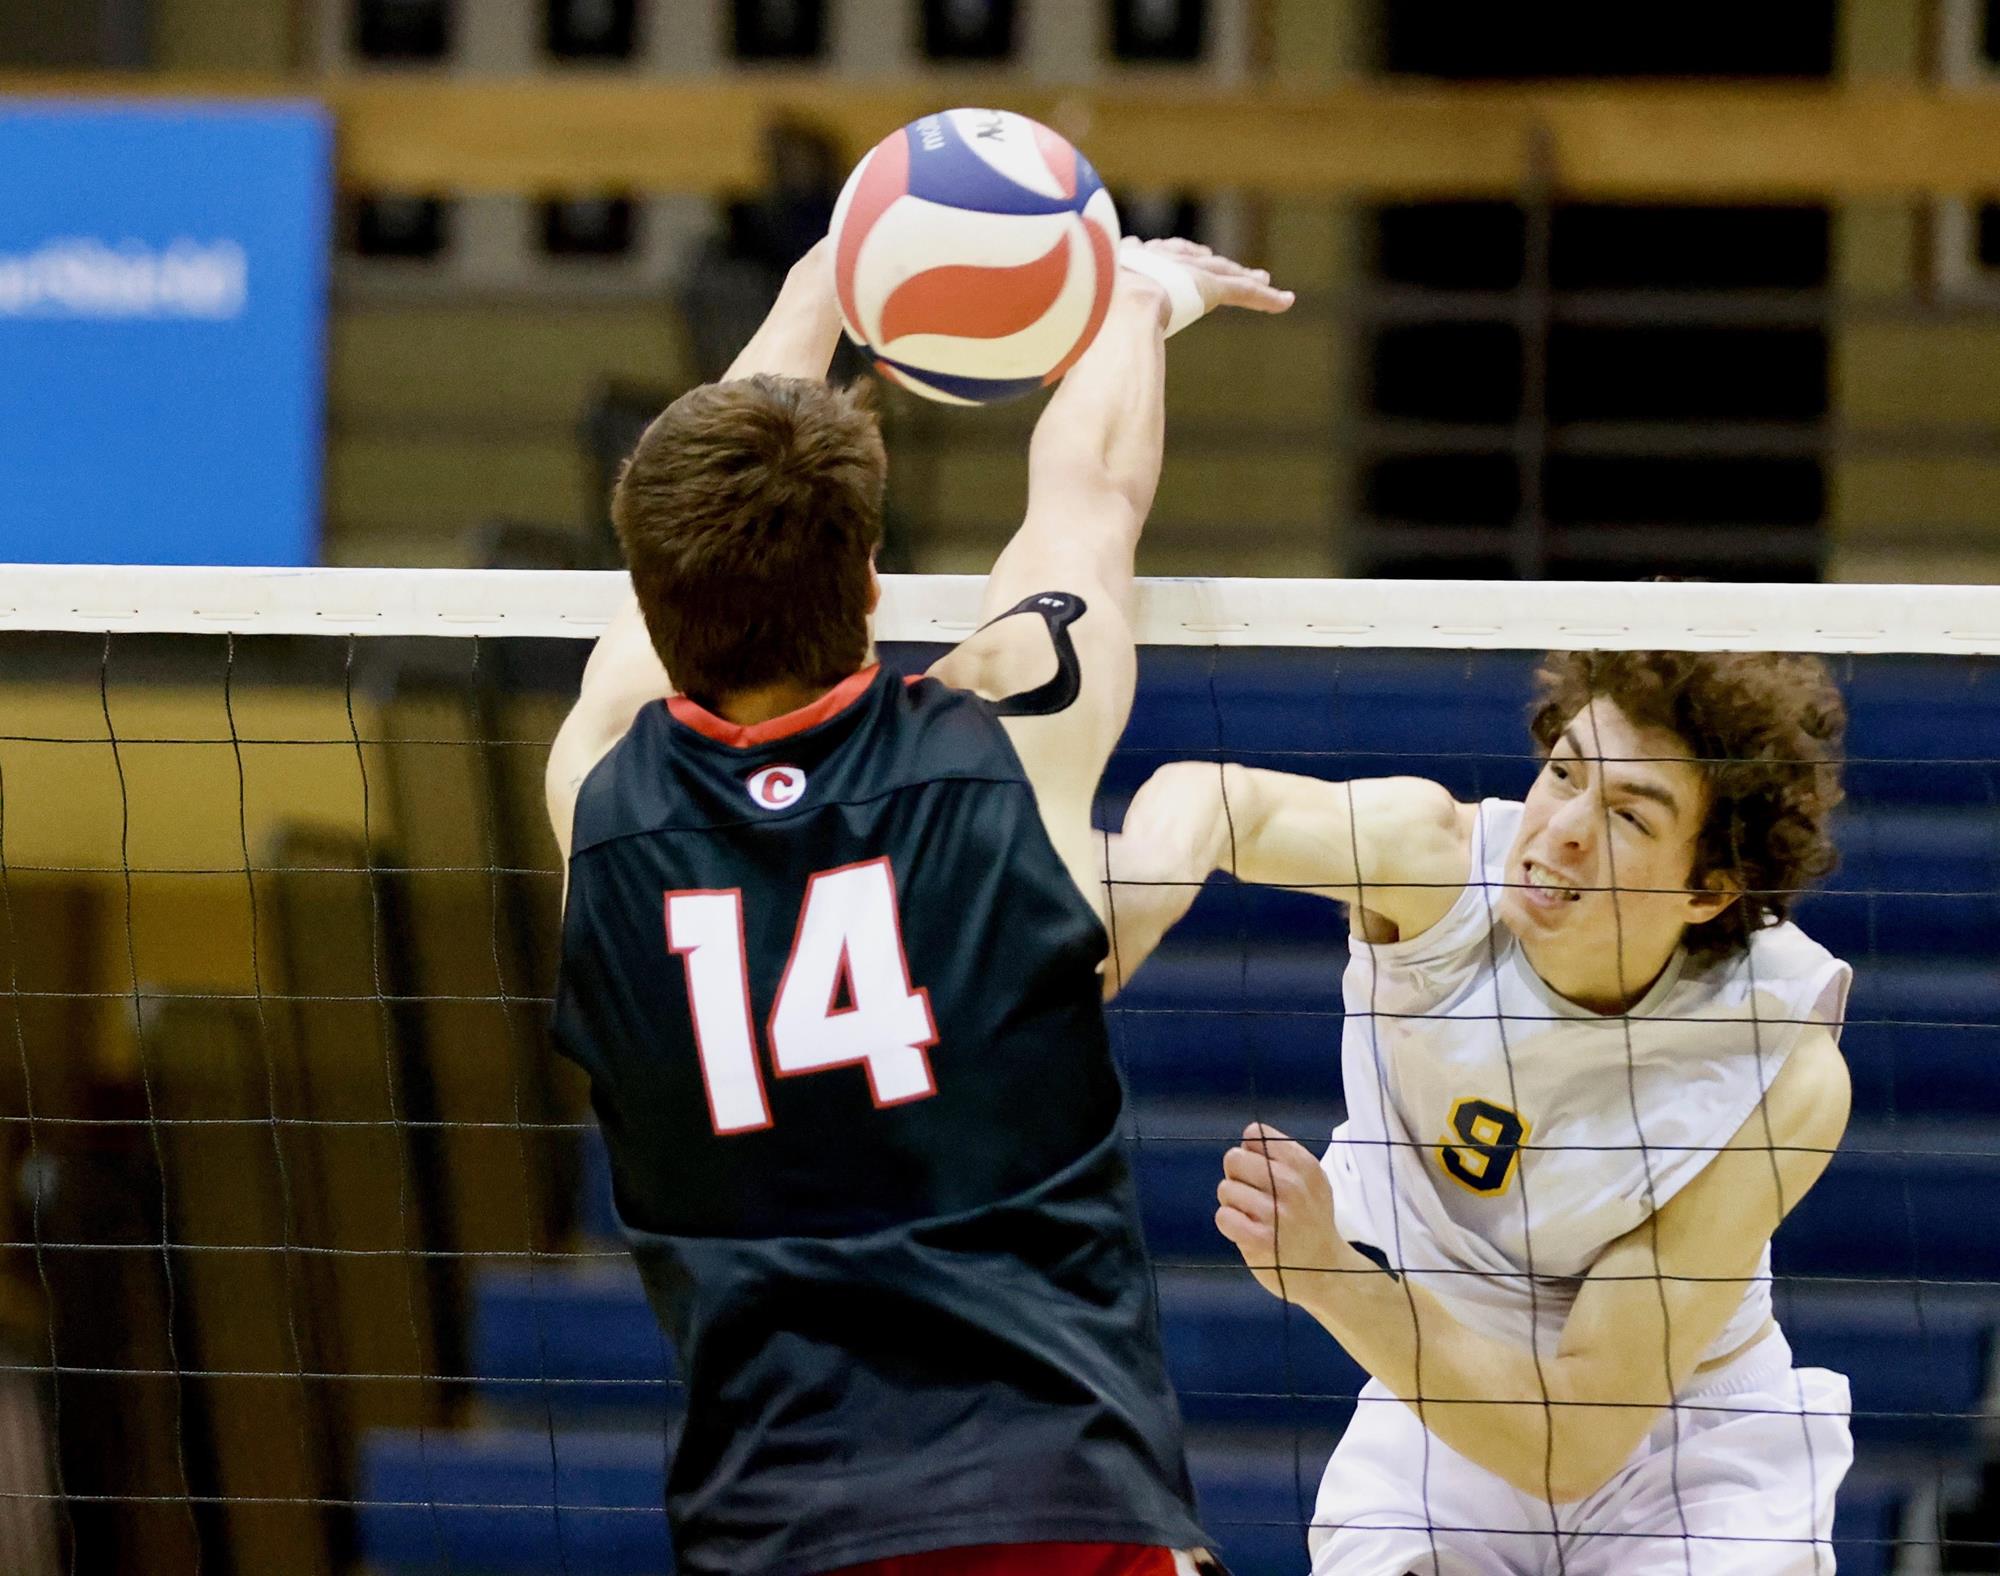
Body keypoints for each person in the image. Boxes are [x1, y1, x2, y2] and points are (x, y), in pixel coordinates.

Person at [544, 234, 1294, 1576]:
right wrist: (1135, 298)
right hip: (1063, 1503)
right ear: (874, 580)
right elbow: (1092, 499)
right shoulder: (1011, 724)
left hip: (774, 1529)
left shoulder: (606, 800)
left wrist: (829, 274)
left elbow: (667, 564)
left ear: (654, 607)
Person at [1105, 649, 1855, 1575]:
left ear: (1708, 890)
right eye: (1565, 773)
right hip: (1443, 1379)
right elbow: (1219, 801)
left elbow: (1573, 1438)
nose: (1563, 830)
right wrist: (1137, 891)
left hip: (1686, 1437)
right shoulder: (1435, 867)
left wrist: (1329, 1276)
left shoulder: (1781, 1063)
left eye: (1627, 815)